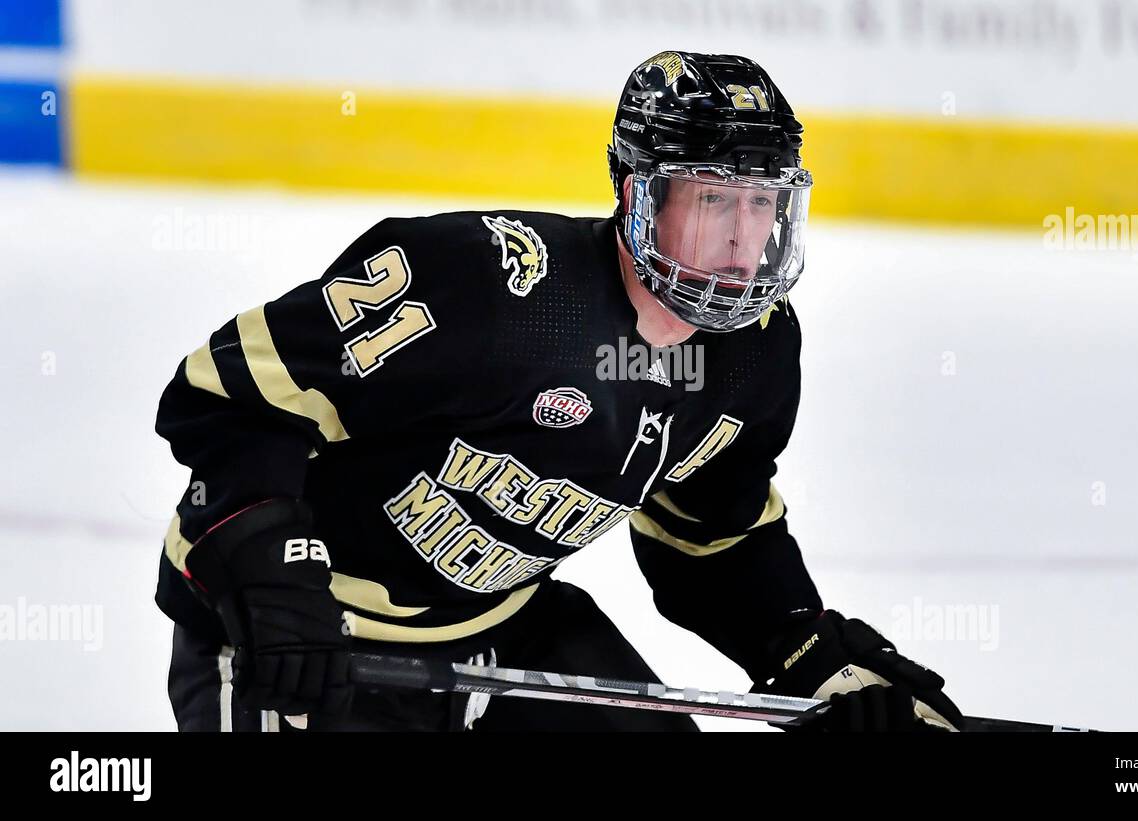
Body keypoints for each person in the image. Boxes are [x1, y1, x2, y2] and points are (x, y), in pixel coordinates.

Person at [154, 50, 963, 732]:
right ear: (637, 193)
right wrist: (271, 572)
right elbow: (231, 394)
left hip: (495, 629)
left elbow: (710, 536)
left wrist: (809, 655)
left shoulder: (752, 357)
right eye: (714, 199)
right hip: (305, 633)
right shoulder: (491, 291)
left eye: (764, 204)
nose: (742, 243)